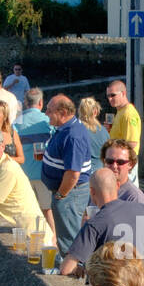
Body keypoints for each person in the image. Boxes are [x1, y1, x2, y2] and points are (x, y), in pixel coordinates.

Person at [42, 93, 93, 254]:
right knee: (65, 234)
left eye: (50, 110)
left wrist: (61, 195)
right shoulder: (65, 128)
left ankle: (72, 271)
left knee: (68, 237)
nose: (46, 113)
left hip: (70, 193)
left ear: (63, 113)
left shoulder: (73, 135)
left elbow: (73, 174)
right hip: (67, 192)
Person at [15, 88, 56, 239]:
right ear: (41, 102)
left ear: (25, 103)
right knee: (47, 210)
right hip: (43, 173)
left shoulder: (17, 121)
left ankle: (29, 241)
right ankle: (54, 240)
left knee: (27, 211)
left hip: (23, 174)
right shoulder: (47, 120)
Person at [105, 80, 142, 184]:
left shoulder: (128, 114)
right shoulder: (121, 112)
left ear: (123, 93)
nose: (110, 99)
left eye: (113, 95)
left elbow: (132, 143)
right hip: (119, 162)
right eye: (108, 96)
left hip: (125, 163)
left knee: (127, 194)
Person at [101, 139, 144, 206]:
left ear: (130, 165)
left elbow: (141, 217)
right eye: (109, 161)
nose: (114, 166)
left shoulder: (136, 198)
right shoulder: (97, 191)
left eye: (120, 162)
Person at [78, 96, 111, 169]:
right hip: (102, 171)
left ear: (80, 111)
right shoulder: (103, 131)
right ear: (95, 112)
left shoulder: (76, 130)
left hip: (83, 172)